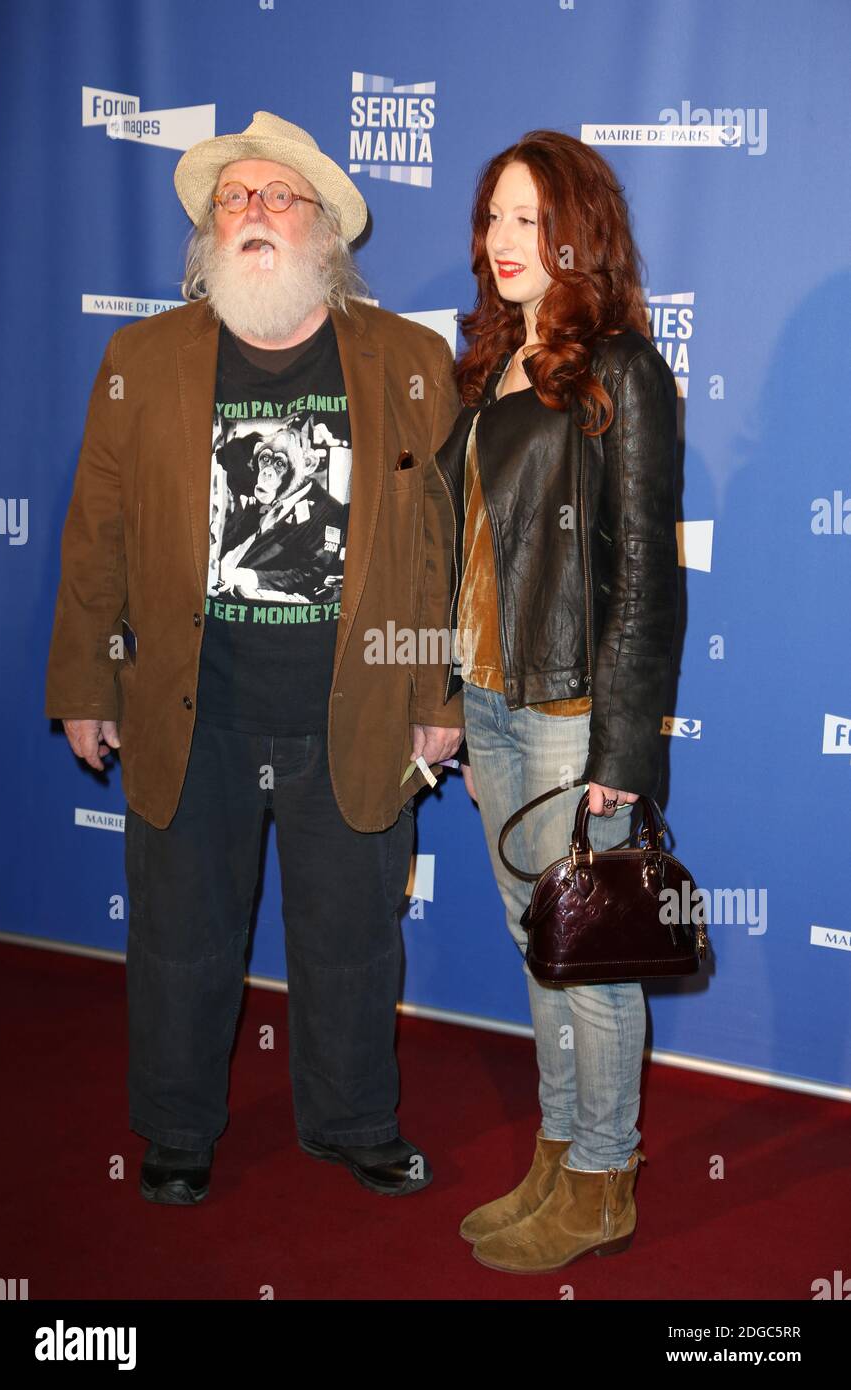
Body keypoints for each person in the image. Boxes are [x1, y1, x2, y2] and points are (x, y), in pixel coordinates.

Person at [44, 111, 463, 1204]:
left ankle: (352, 1116)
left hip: (356, 713)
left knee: (354, 942)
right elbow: (96, 533)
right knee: (181, 942)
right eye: (237, 197)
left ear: (325, 232)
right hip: (196, 711)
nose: (257, 215)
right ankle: (177, 1125)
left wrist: (439, 695)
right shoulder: (141, 359)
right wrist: (87, 682)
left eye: (282, 198)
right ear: (207, 229)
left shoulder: (413, 362)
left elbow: (446, 552)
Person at [434, 130, 680, 1271]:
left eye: (528, 220)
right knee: (537, 948)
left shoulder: (622, 370)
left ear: (576, 231)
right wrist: (456, 697)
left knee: (589, 959)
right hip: (492, 699)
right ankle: (557, 1149)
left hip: (572, 713)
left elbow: (643, 578)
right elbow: (471, 552)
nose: (501, 242)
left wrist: (619, 752)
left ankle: (604, 1179)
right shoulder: (485, 365)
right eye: (492, 218)